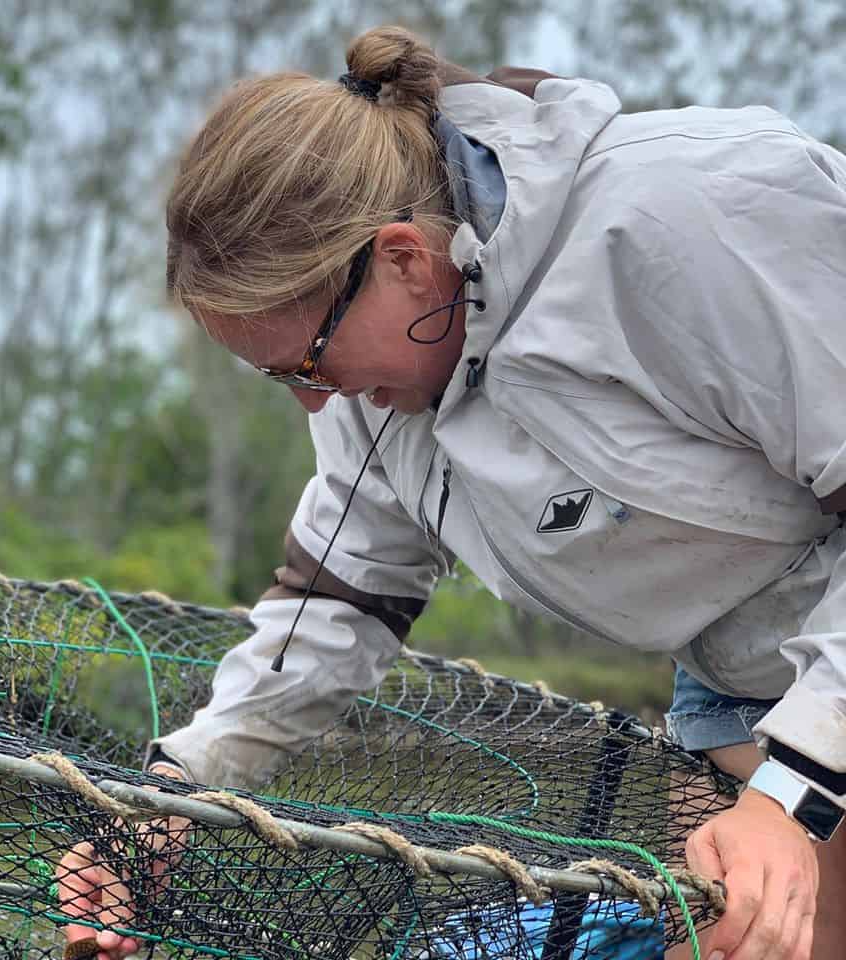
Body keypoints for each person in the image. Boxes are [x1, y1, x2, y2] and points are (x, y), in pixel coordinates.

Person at [59, 24, 846, 960]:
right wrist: (174, 795)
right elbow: (340, 600)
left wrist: (791, 797)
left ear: (401, 258)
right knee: (740, 935)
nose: (314, 400)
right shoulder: (377, 386)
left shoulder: (690, 216)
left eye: (308, 361)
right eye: (280, 379)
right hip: (739, 676)